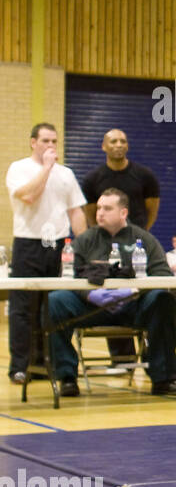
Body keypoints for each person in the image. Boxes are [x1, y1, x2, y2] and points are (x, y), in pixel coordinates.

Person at [47, 190, 176, 397]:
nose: (100, 213)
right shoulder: (85, 240)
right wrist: (88, 294)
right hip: (92, 306)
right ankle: (67, 378)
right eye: (98, 208)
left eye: (107, 208)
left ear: (123, 213)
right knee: (56, 300)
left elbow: (162, 274)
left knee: (162, 299)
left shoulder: (144, 239)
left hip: (133, 305)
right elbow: (67, 274)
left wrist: (133, 291)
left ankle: (164, 379)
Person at [6, 123, 87, 384]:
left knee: (53, 305)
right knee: (23, 307)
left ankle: (49, 362)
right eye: (45, 141)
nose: (51, 146)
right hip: (28, 243)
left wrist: (83, 245)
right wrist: (47, 168)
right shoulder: (19, 169)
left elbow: (76, 211)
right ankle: (21, 365)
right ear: (33, 142)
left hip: (57, 244)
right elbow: (28, 196)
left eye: (54, 141)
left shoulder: (66, 174)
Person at [79, 129, 160, 231]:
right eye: (113, 141)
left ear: (127, 146)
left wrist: (142, 232)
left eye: (123, 141)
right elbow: (90, 215)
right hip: (106, 239)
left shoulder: (146, 176)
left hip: (136, 238)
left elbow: (152, 210)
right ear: (103, 146)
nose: (119, 145)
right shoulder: (91, 180)